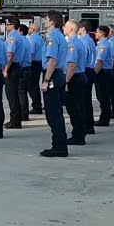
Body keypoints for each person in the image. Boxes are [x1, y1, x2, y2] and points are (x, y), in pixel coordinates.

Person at [39, 10, 70, 157]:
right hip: (58, 75)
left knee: (53, 113)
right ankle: (60, 145)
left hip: (53, 75)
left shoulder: (52, 37)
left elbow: (52, 60)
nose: (44, 22)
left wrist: (46, 80)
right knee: (56, 112)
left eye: (46, 19)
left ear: (52, 21)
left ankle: (58, 147)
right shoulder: (60, 36)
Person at [63, 20, 87, 146]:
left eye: (66, 26)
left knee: (74, 108)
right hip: (80, 76)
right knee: (78, 107)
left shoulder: (72, 43)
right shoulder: (79, 41)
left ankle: (78, 136)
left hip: (75, 77)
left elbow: (72, 65)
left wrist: (66, 81)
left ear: (71, 29)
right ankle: (79, 133)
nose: (63, 28)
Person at [3, 17, 28, 129]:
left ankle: (15, 120)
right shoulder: (19, 36)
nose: (6, 26)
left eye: (7, 24)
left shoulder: (12, 37)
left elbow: (10, 54)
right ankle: (16, 119)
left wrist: (6, 69)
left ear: (12, 25)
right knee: (15, 94)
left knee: (11, 95)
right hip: (18, 66)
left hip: (12, 66)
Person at [76, 22, 97, 136]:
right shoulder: (89, 40)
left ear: (83, 29)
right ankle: (89, 123)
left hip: (85, 70)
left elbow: (82, 59)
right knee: (86, 100)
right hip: (90, 70)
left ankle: (86, 125)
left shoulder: (84, 41)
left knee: (83, 100)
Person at [93, 25, 114, 126]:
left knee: (103, 97)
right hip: (105, 72)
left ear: (102, 33)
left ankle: (104, 119)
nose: (95, 34)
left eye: (97, 32)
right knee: (102, 96)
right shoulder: (103, 43)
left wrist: (94, 74)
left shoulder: (103, 45)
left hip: (103, 73)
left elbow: (100, 62)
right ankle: (105, 117)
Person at [25, 22, 44, 116]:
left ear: (33, 29)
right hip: (39, 63)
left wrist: (28, 64)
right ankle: (38, 105)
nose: (28, 29)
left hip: (33, 63)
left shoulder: (32, 39)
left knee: (32, 86)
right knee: (35, 85)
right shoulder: (40, 39)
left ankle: (36, 106)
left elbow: (31, 54)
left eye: (29, 28)